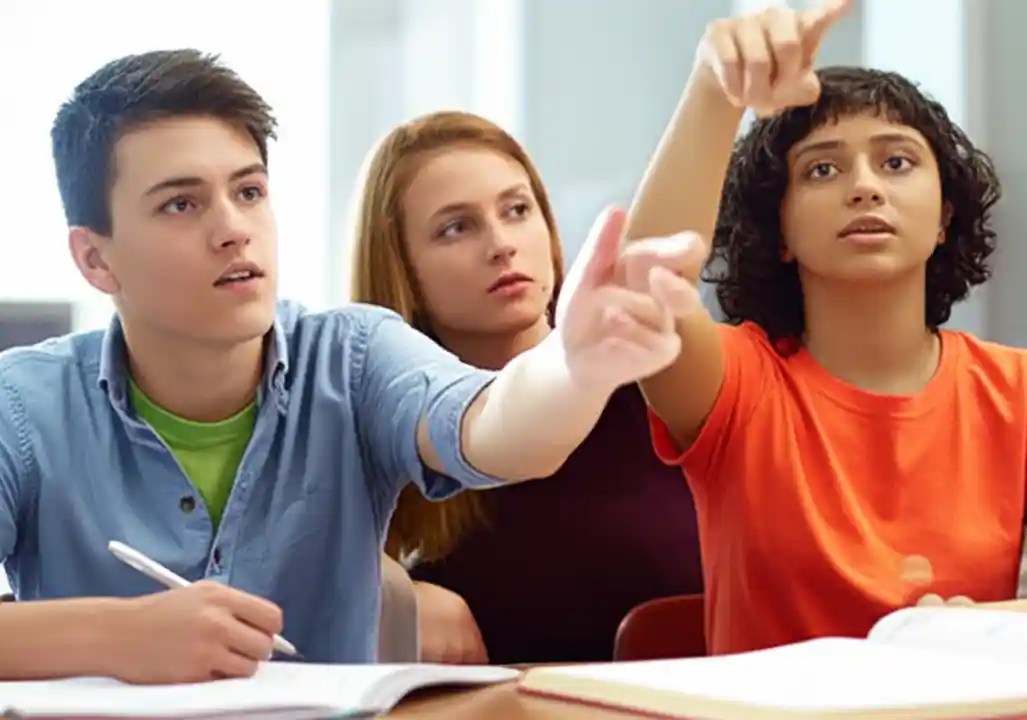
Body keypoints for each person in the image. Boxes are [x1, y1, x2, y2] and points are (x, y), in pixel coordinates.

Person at [0, 49, 705, 682]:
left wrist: (576, 364)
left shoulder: (353, 355)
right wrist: (110, 635)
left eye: (248, 192)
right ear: (95, 258)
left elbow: (495, 429)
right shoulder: (25, 406)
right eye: (182, 204)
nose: (232, 228)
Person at [619, 0, 1027, 656]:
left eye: (897, 162)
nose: (864, 186)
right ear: (781, 231)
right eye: (823, 168)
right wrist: (713, 88)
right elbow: (641, 292)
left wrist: (979, 630)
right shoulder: (735, 383)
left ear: (943, 217)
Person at [350, 110, 702, 665]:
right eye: (456, 227)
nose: (501, 244)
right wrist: (384, 585)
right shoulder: (373, 430)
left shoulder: (657, 381)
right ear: (403, 271)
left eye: (517, 210)